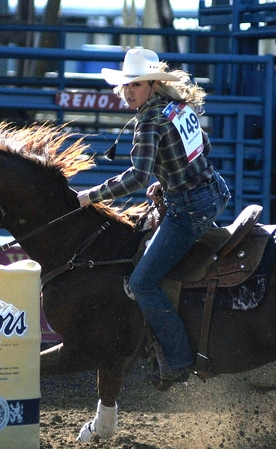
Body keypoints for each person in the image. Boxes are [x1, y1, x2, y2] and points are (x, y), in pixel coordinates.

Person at [77, 48, 231, 389]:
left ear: (152, 85)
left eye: (137, 84)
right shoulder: (177, 108)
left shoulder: (148, 121)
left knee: (142, 283)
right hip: (215, 192)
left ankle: (178, 360)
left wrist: (92, 195)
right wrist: (169, 178)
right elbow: (202, 147)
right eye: (127, 85)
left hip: (188, 208)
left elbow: (136, 178)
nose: (130, 91)